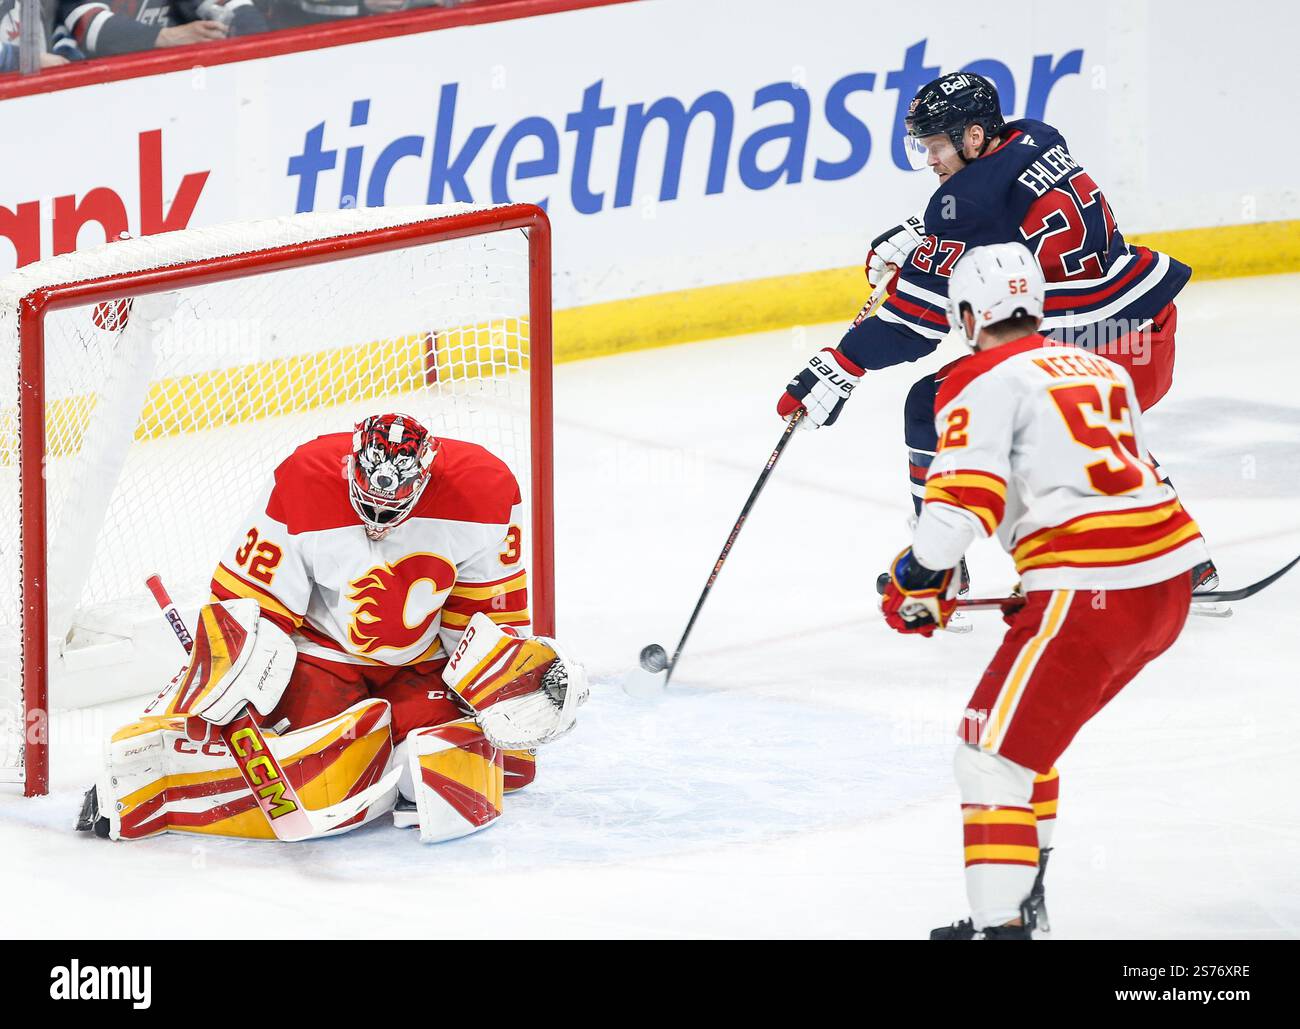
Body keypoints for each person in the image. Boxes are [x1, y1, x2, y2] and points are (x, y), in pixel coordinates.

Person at [879, 243, 1207, 938]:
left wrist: (915, 576)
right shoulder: (1101, 368)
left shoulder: (978, 377)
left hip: (1094, 587)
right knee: (1030, 739)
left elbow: (960, 507)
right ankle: (1027, 901)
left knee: (986, 752)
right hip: (1166, 584)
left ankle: (1004, 928)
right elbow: (1121, 481)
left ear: (969, 316)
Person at [778, 71, 1216, 593]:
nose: (930, 159)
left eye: (937, 144)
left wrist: (842, 364)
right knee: (1092, 424)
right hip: (1146, 331)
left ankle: (936, 571)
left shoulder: (964, 209)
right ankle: (1190, 564)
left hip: (1093, 349)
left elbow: (913, 328)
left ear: (974, 136)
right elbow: (997, 201)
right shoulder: (1037, 136)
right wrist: (925, 232)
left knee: (930, 406)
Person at [78, 413, 585, 843]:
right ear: (350, 468)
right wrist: (222, 686)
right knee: (314, 769)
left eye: (394, 506)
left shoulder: (485, 491)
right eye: (370, 502)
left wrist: (510, 686)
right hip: (324, 655)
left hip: (422, 663)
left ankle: (395, 753)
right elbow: (250, 604)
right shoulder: (302, 480)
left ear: (426, 476)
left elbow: (483, 618)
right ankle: (161, 781)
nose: (379, 519)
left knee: (458, 767)